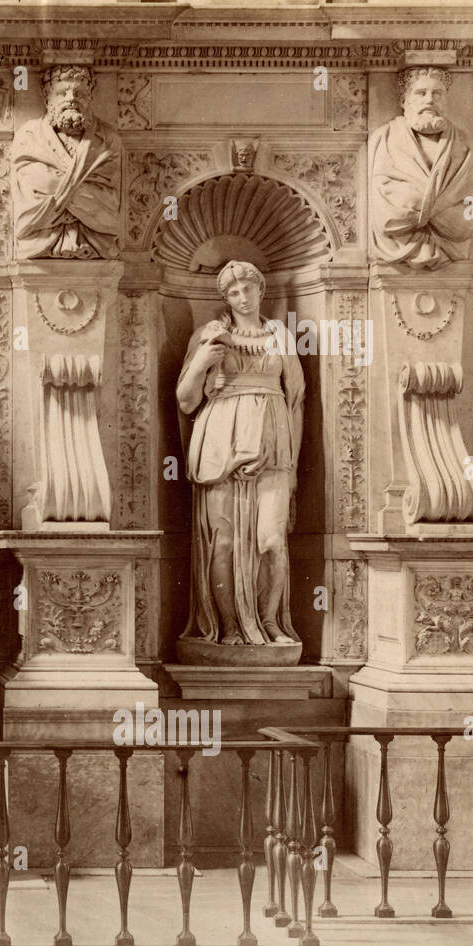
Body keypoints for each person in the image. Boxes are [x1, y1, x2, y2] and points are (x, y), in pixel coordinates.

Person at [175, 260, 304, 652]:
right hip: (221, 444)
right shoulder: (210, 334)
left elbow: (296, 398)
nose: (242, 297)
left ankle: (268, 622)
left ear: (261, 291)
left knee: (271, 539)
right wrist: (204, 358)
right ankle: (229, 625)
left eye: (248, 288)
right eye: (233, 292)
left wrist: (293, 462)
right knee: (225, 542)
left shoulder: (280, 334)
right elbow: (186, 400)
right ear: (224, 298)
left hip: (273, 444)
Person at [369, 66, 473, 270]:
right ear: (404, 101)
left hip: (453, 260)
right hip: (394, 254)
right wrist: (442, 207)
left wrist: (414, 203)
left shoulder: (463, 144)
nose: (430, 100)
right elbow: (388, 216)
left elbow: (465, 224)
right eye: (421, 93)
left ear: (446, 100)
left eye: (438, 94)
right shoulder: (384, 139)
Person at [11, 65, 121, 260]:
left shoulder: (107, 138)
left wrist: (54, 191)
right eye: (62, 93)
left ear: (90, 98)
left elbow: (109, 210)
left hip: (97, 243)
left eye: (79, 93)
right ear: (47, 96)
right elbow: (27, 209)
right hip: (36, 247)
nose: (71, 98)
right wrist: (84, 194)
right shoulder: (29, 136)